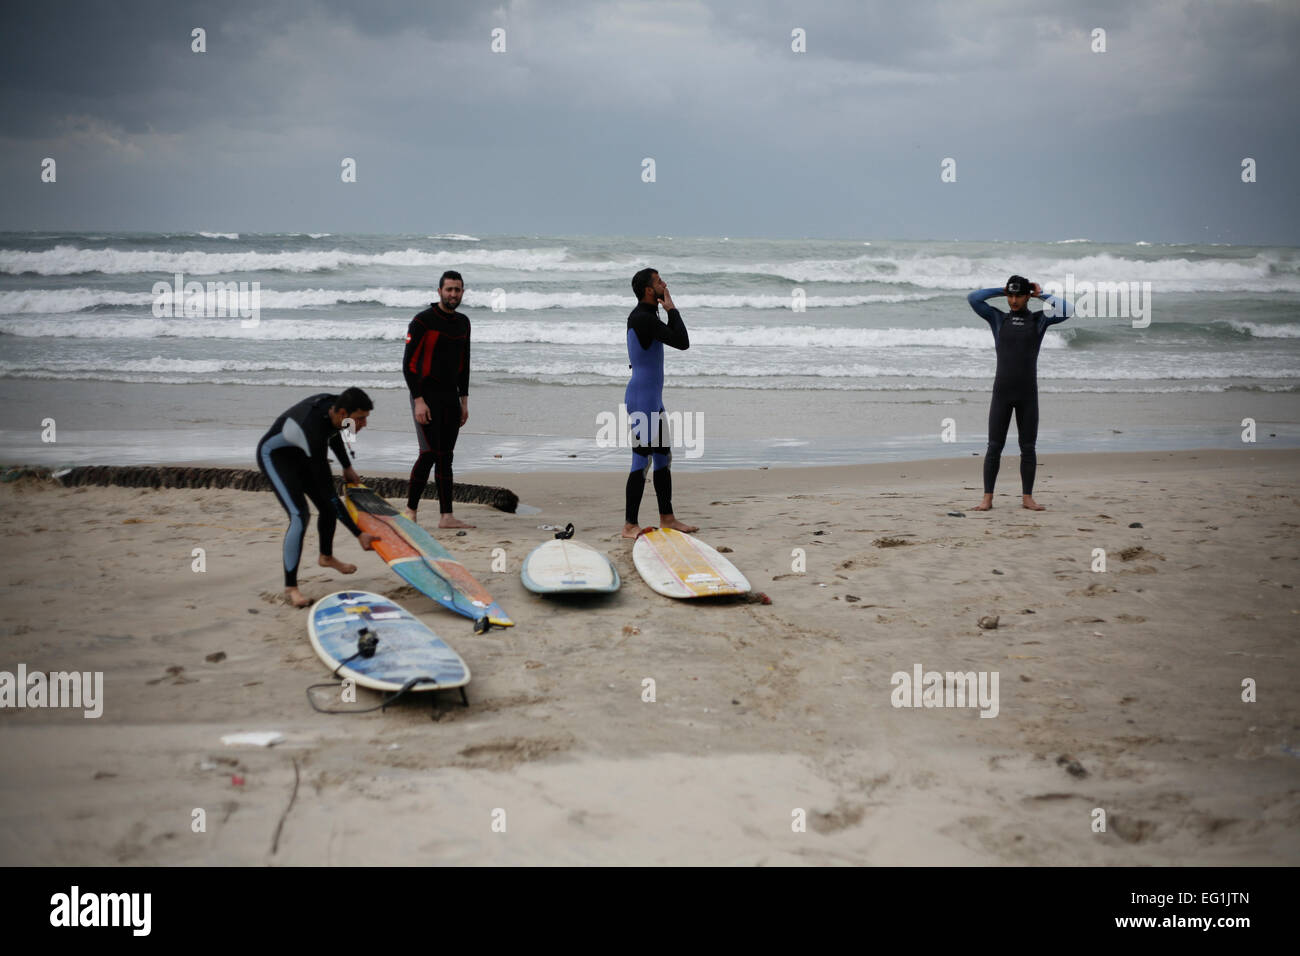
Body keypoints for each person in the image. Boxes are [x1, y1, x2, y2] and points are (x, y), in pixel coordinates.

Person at [256, 388, 378, 607]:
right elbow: (329, 493)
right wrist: (358, 534)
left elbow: (335, 434)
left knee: (327, 507)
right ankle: (291, 588)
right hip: (277, 458)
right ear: (343, 413)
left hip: (302, 454)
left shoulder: (335, 408)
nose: (364, 424)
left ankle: (326, 557)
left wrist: (347, 466)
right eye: (360, 419)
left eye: (366, 418)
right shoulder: (311, 432)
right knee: (300, 515)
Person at [966, 275, 1074, 511]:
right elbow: (973, 298)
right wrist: (1001, 289)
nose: (1013, 300)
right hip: (1001, 393)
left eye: (1019, 295)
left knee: (1028, 447)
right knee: (994, 446)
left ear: (1027, 296)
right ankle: (987, 498)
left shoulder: (1039, 320)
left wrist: (1040, 293)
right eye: (1011, 295)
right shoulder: (997, 318)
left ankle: (1027, 497)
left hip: (1027, 394)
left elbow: (1068, 309)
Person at [622, 268, 698, 537]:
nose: (664, 284)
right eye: (658, 282)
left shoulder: (647, 316)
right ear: (647, 290)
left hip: (651, 399)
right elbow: (682, 342)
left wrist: (666, 310)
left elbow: (676, 339)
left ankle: (667, 518)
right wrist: (672, 308)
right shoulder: (642, 318)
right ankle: (630, 525)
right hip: (643, 400)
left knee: (662, 457)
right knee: (641, 461)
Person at [403, 270, 473, 528]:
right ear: (439, 292)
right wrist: (418, 399)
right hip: (426, 395)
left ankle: (447, 516)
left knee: (446, 456)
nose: (453, 294)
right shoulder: (422, 321)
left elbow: (464, 364)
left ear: (462, 292)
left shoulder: (463, 322)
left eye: (457, 289)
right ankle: (410, 511)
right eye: (449, 289)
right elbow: (408, 365)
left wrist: (464, 401)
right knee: (429, 452)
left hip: (450, 397)